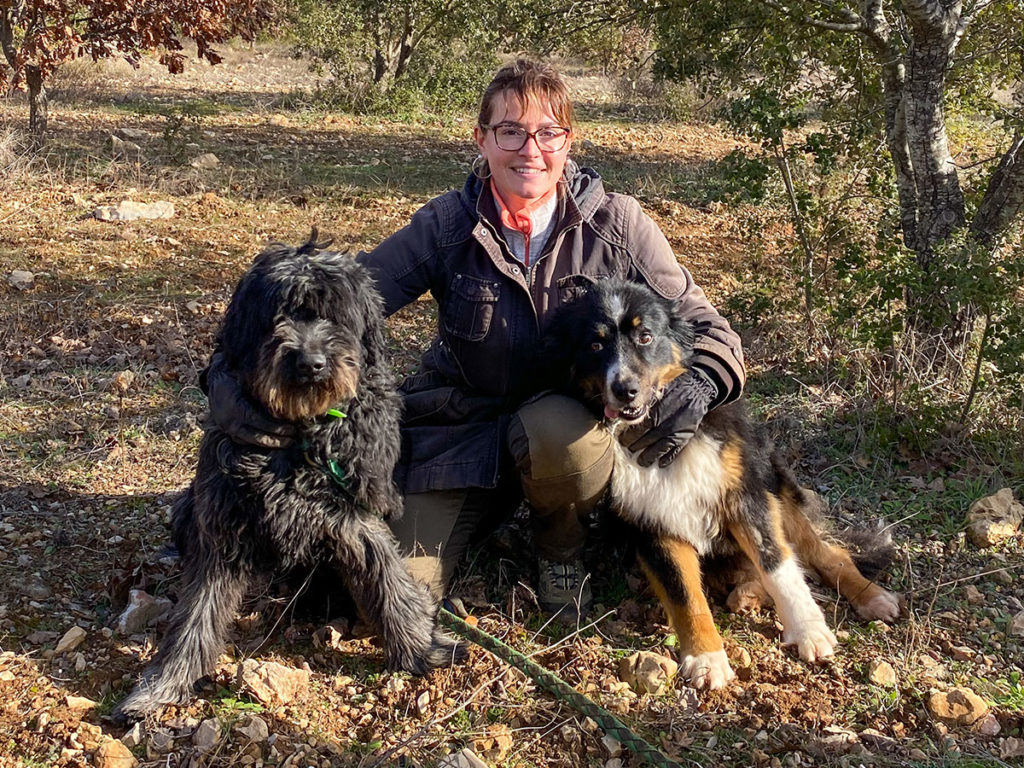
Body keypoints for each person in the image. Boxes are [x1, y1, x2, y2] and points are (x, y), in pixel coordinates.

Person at [207, 59, 745, 622]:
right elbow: (342, 301)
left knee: (559, 432)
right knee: (389, 597)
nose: (529, 150)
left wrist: (701, 384)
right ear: (481, 139)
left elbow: (708, 328)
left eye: (547, 132)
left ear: (568, 141)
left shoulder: (617, 224)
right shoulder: (448, 224)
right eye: (510, 131)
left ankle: (560, 550)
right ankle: (482, 518)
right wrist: (226, 385)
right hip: (462, 436)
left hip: (568, 435)